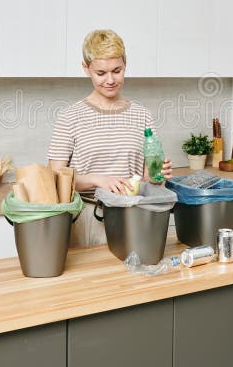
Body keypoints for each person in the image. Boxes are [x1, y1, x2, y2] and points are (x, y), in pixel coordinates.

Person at [48, 29, 172, 246]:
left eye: (117, 70)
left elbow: (147, 179)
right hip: (87, 219)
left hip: (134, 217)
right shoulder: (70, 117)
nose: (110, 80)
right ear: (86, 69)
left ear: (125, 64)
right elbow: (54, 178)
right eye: (101, 73)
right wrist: (97, 180)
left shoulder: (142, 115)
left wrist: (157, 175)